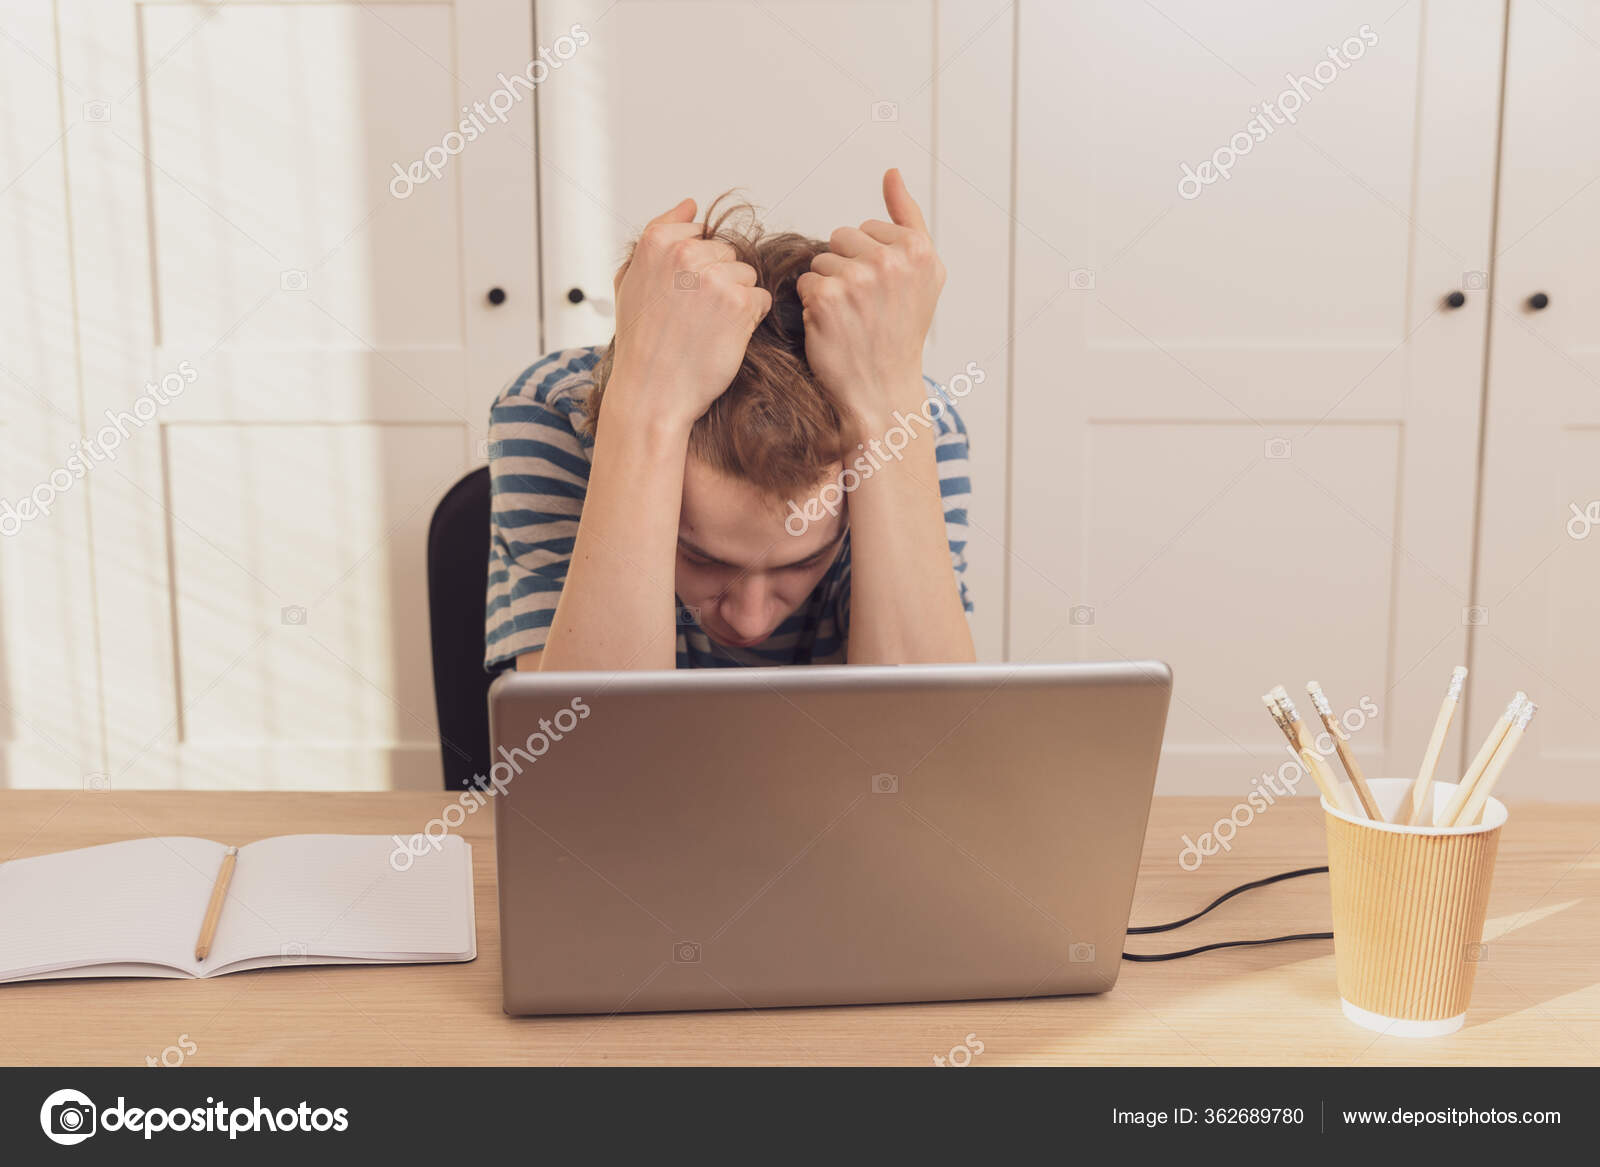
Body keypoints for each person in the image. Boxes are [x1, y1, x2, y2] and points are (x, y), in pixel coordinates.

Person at [484, 168, 974, 672]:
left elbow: (928, 744)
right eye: (701, 558)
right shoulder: (551, 412)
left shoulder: (914, 425)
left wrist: (888, 407)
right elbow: (589, 746)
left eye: (803, 561)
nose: (749, 620)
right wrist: (643, 410)